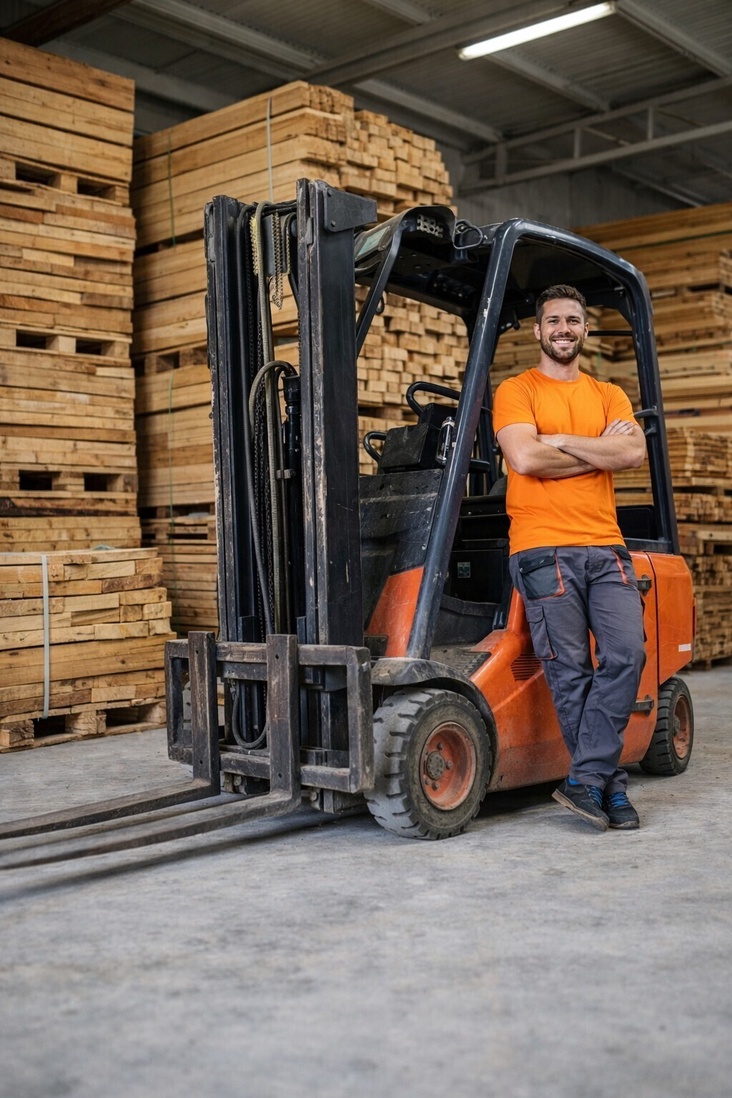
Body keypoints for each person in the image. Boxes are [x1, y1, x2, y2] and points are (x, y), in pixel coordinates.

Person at [492, 284, 647, 832]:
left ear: (585, 329)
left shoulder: (609, 393)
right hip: (543, 548)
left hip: (606, 546)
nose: (564, 328)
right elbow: (525, 458)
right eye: (554, 320)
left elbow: (633, 451)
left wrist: (558, 440)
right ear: (538, 330)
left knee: (627, 654)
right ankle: (609, 786)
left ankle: (586, 780)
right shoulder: (516, 389)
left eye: (573, 320)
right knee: (571, 671)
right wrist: (597, 451)